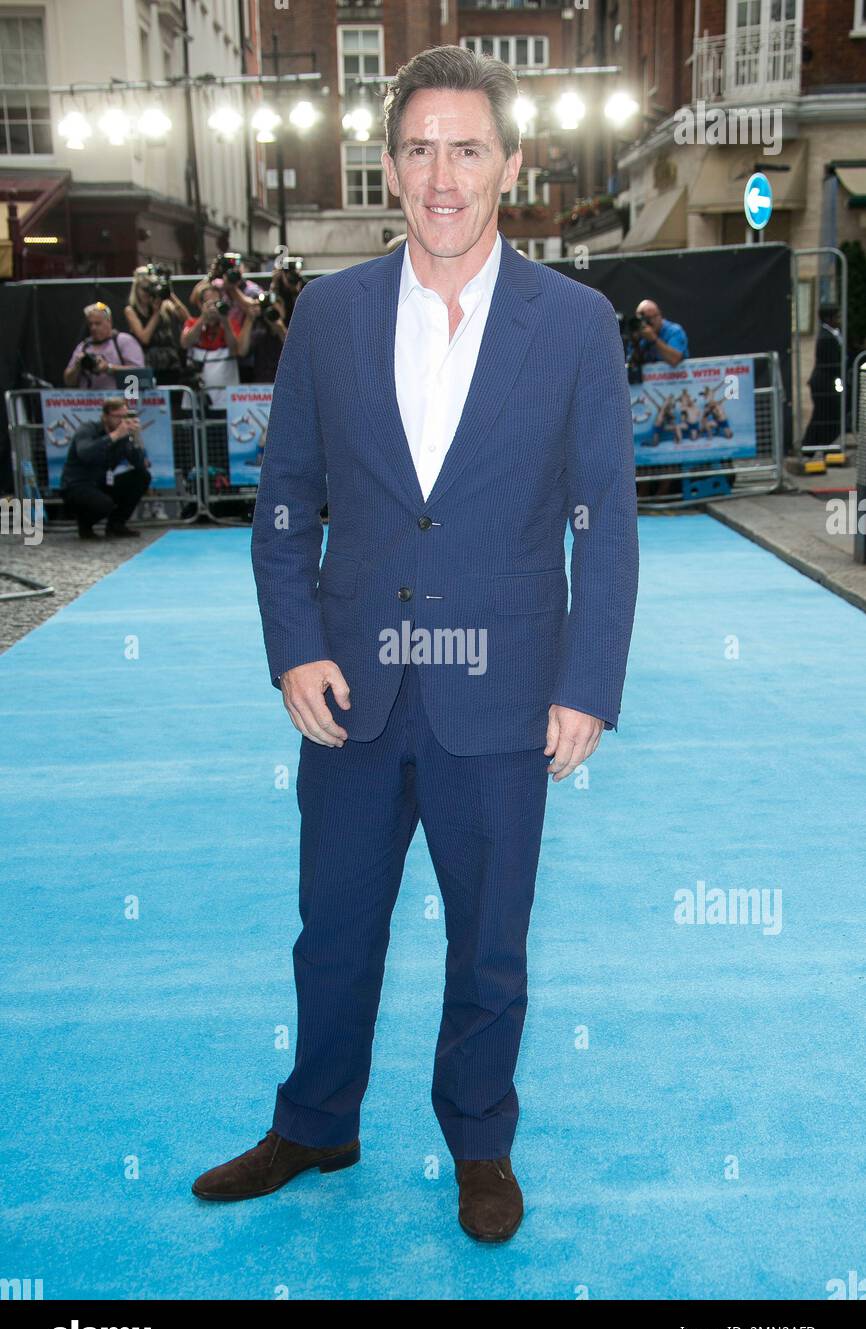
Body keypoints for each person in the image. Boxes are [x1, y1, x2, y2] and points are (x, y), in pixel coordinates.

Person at [193, 46, 639, 1243]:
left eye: (468, 148)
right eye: (420, 148)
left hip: (502, 693)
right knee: (331, 927)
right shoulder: (329, 315)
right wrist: (292, 646)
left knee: (489, 943)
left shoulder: (577, 325)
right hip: (350, 689)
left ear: (508, 165)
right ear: (389, 167)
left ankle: (478, 1140)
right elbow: (284, 501)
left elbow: (604, 524)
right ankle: (315, 1121)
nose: (443, 174)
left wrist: (586, 682)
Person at [60, 396, 151, 540]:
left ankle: (116, 525)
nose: (122, 421)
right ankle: (85, 525)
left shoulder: (123, 435)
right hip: (77, 486)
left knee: (142, 476)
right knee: (104, 504)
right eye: (118, 417)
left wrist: (136, 436)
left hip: (101, 482)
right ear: (105, 416)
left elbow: (139, 463)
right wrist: (114, 436)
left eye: (125, 417)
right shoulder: (88, 429)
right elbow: (86, 454)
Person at [180, 283, 251, 411]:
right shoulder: (192, 323)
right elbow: (185, 343)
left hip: (225, 401)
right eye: (209, 303)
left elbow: (236, 350)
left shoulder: (230, 324)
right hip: (196, 399)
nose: (213, 307)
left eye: (216, 302)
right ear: (201, 305)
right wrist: (203, 318)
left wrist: (224, 320)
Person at [123, 265, 190, 385]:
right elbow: (144, 338)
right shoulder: (131, 310)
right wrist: (156, 313)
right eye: (144, 289)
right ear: (136, 289)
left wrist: (169, 295)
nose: (147, 293)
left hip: (170, 360)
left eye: (151, 288)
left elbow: (187, 320)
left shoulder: (165, 305)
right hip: (149, 361)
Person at [63, 303, 145, 389]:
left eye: (97, 323)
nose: (93, 328)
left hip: (118, 399)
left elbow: (140, 373)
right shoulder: (84, 346)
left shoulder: (124, 341)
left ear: (109, 322)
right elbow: (68, 381)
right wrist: (77, 367)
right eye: (90, 324)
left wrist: (109, 368)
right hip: (88, 400)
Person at [801, 303, 845, 449]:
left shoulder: (835, 333)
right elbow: (832, 362)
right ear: (828, 318)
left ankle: (814, 446)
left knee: (823, 415)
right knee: (825, 415)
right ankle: (812, 446)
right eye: (836, 317)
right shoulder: (825, 337)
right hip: (823, 383)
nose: (839, 320)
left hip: (828, 382)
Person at [627, 299, 689, 370]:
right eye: (645, 318)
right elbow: (632, 364)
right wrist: (636, 343)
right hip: (649, 379)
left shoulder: (674, 331)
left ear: (660, 315)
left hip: (678, 379)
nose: (651, 321)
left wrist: (654, 339)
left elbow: (674, 360)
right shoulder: (639, 333)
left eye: (653, 317)